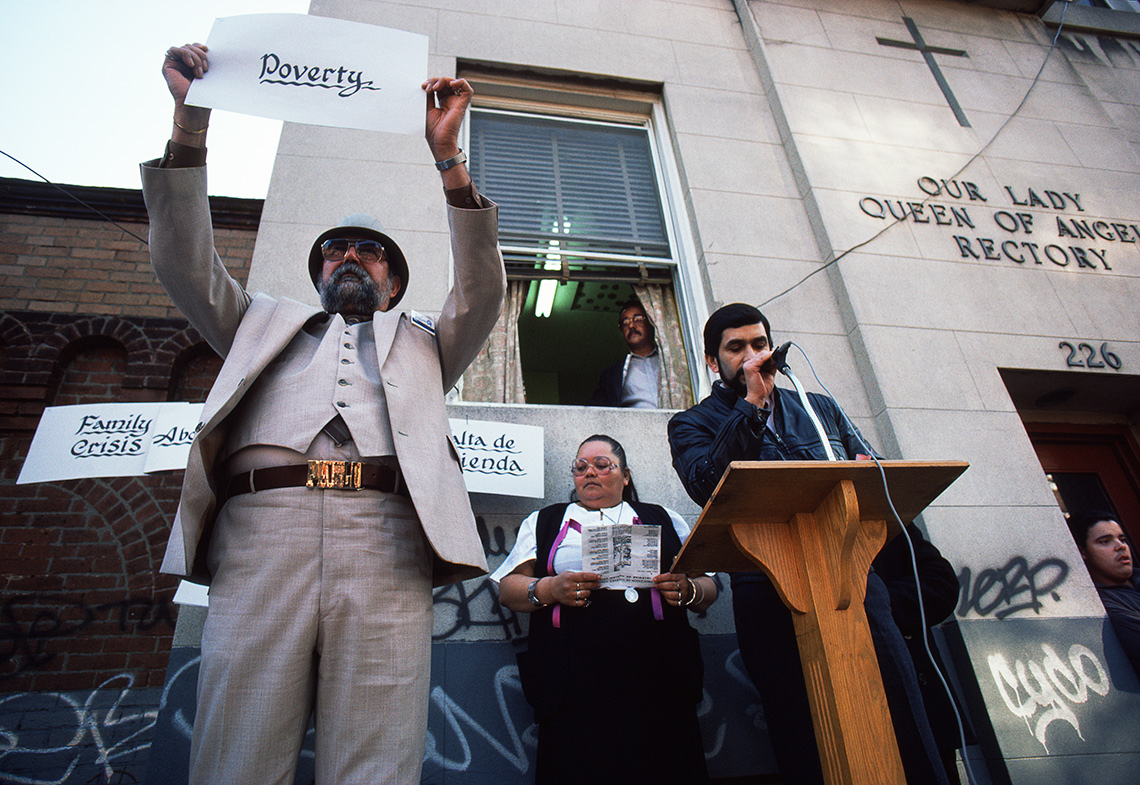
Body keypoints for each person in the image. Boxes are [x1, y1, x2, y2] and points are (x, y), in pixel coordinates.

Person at [144, 43, 505, 784]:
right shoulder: (257, 322)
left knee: (375, 759)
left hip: (388, 542)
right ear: (316, 272)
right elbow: (183, 264)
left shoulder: (428, 343)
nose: (351, 257)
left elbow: (483, 287)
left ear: (395, 280)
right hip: (261, 537)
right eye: (336, 249)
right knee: (236, 752)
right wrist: (190, 125)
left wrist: (449, 160)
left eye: (370, 252)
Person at [667, 303, 949, 785]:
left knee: (898, 707)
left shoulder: (819, 407)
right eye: (736, 348)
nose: (752, 355)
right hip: (766, 586)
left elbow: (875, 476)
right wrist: (751, 406)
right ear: (714, 362)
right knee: (803, 726)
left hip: (852, 578)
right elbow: (705, 483)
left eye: (760, 343)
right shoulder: (691, 422)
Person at [492, 434, 716, 785]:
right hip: (574, 683)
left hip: (659, 676)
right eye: (580, 468)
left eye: (601, 465)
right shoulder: (546, 521)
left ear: (625, 475)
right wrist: (549, 588)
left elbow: (710, 586)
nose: (589, 474)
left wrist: (688, 590)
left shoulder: (663, 517)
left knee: (666, 766)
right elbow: (508, 590)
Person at [1070, 511, 1140, 674]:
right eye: (1105, 541)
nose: (1120, 546)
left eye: (1122, 539)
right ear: (1082, 552)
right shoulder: (1102, 604)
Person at [588, 299, 660, 408]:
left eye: (638, 319)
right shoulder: (612, 374)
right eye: (625, 322)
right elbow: (595, 411)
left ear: (650, 322)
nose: (631, 326)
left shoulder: (669, 361)